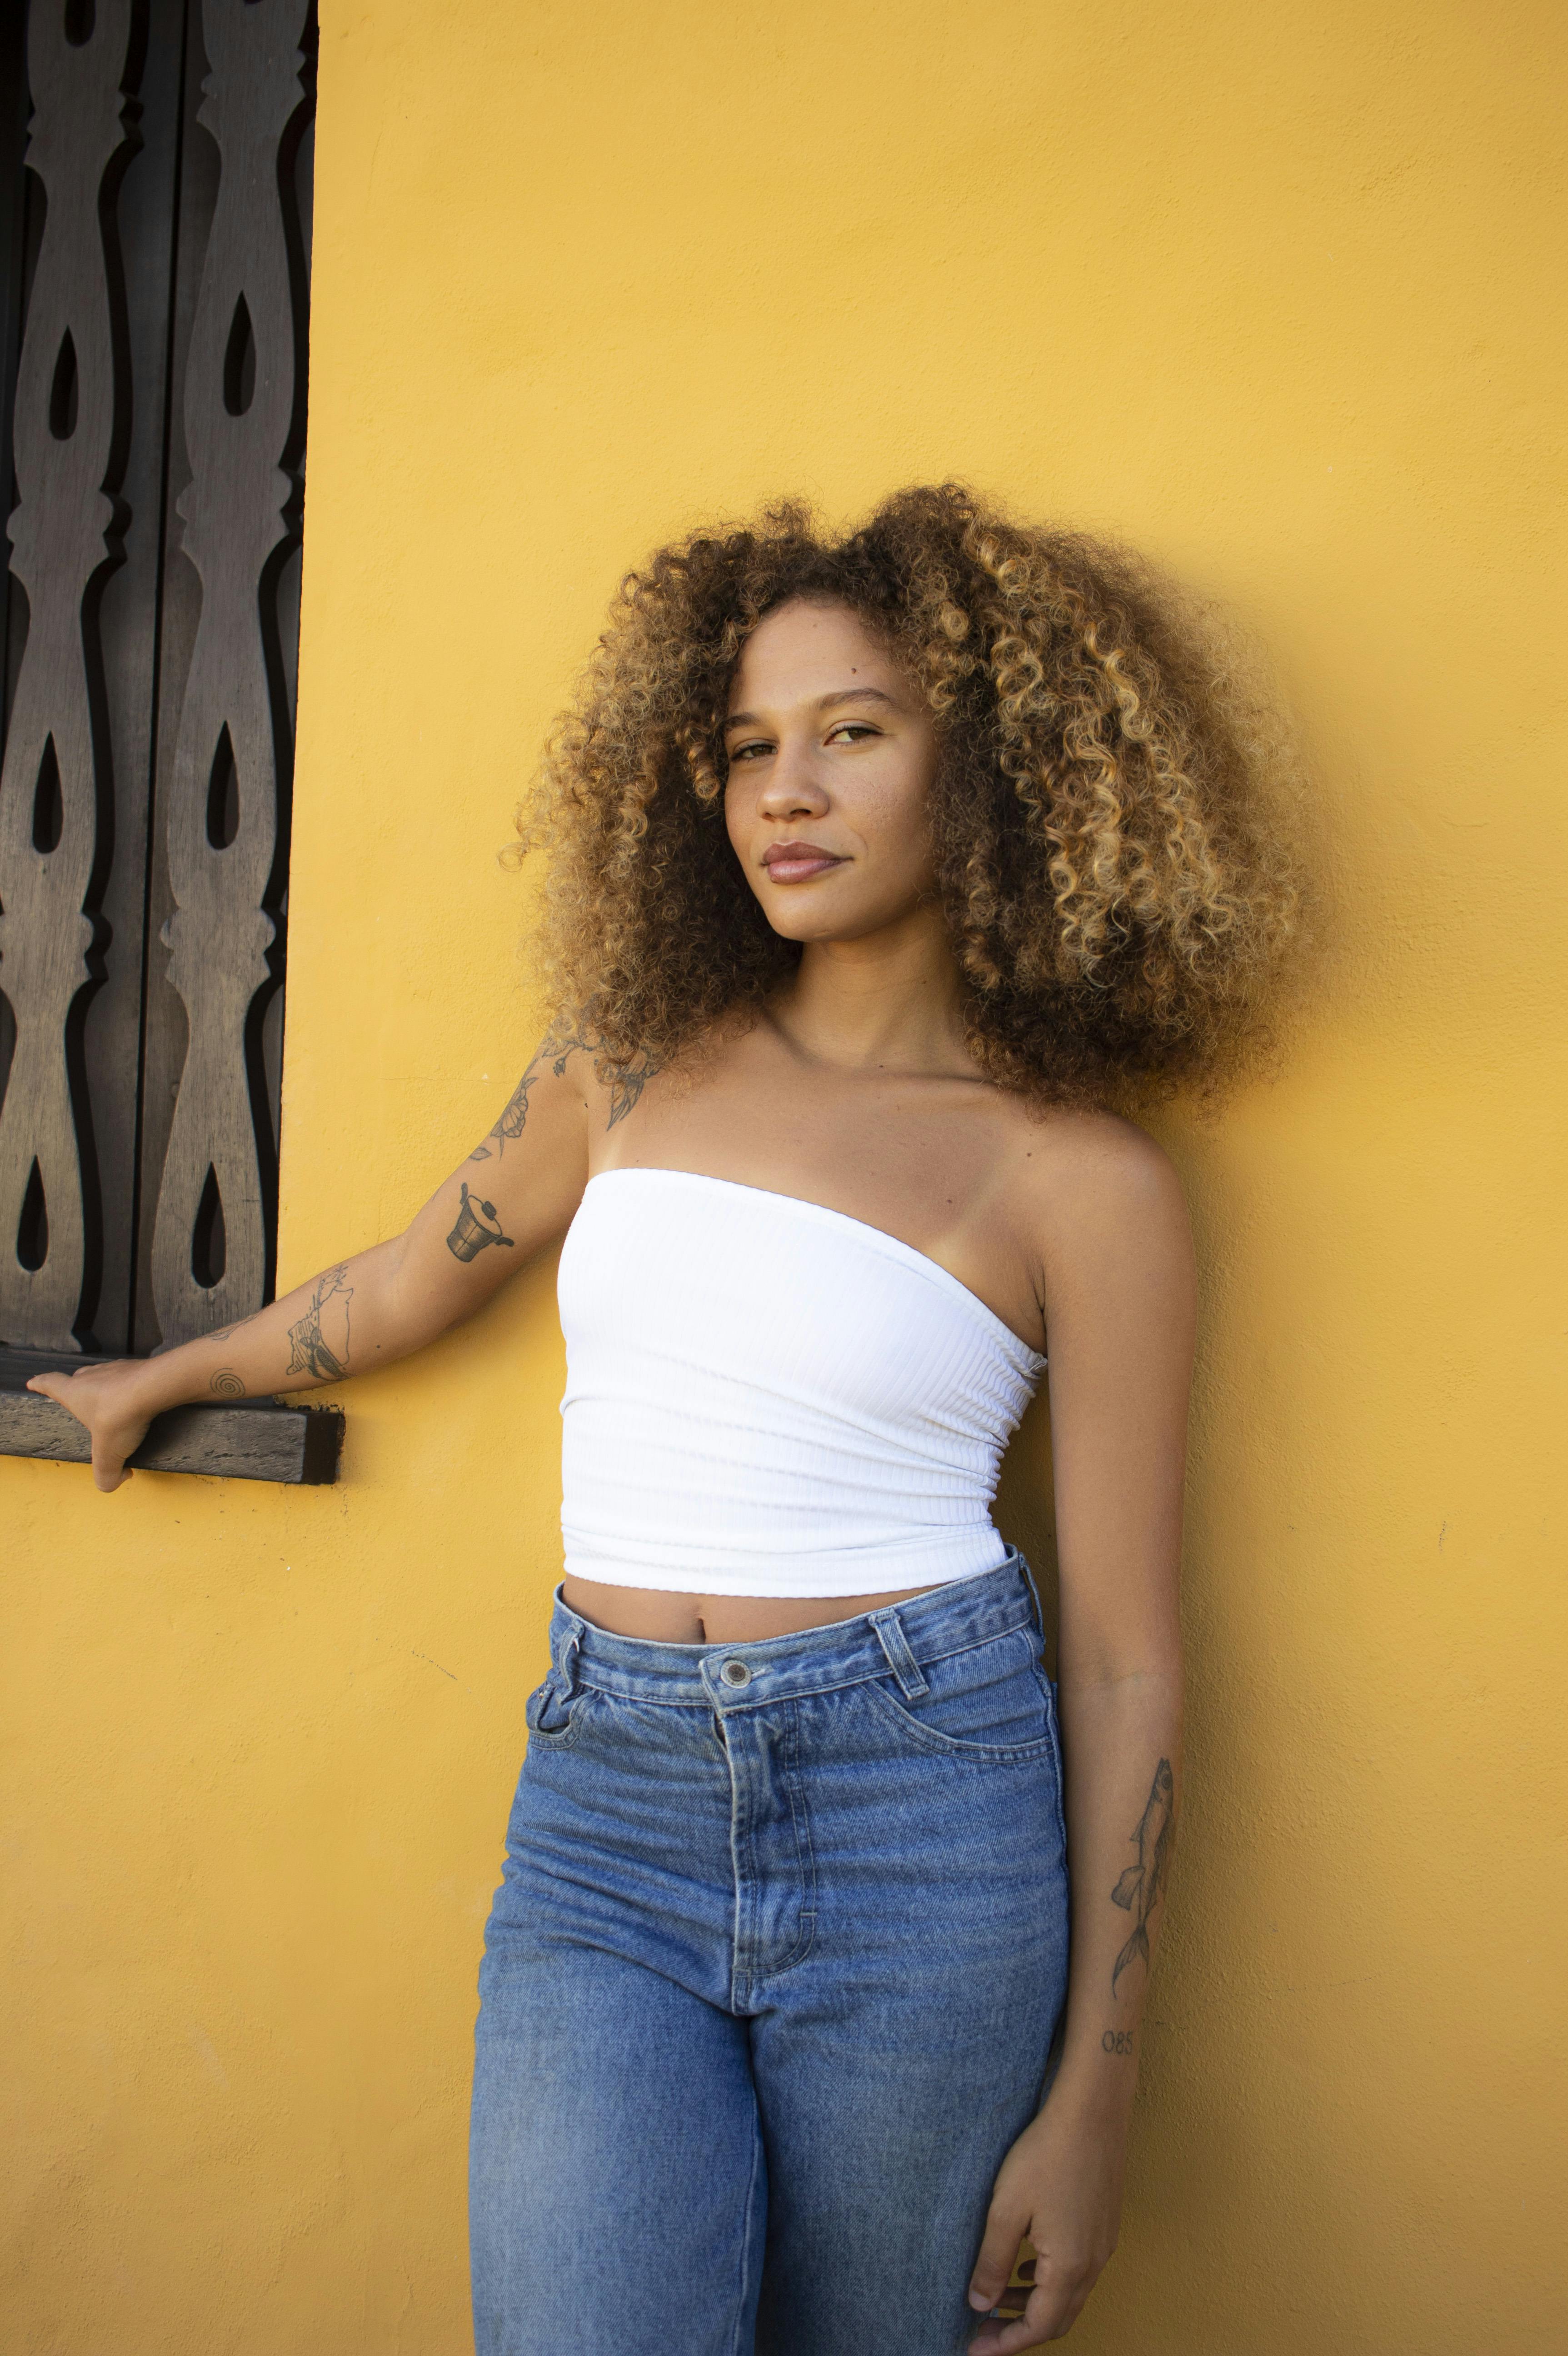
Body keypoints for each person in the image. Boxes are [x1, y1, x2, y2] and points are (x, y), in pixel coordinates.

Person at [33, 485, 1299, 2353]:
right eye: (747, 748)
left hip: (920, 1831)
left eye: (853, 734)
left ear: (1001, 769)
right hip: (602, 1815)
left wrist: (1095, 2092)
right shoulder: (624, 1061)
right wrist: (174, 1371)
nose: (786, 791)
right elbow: (407, 1278)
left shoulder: (1075, 1181)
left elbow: (1123, 1660)